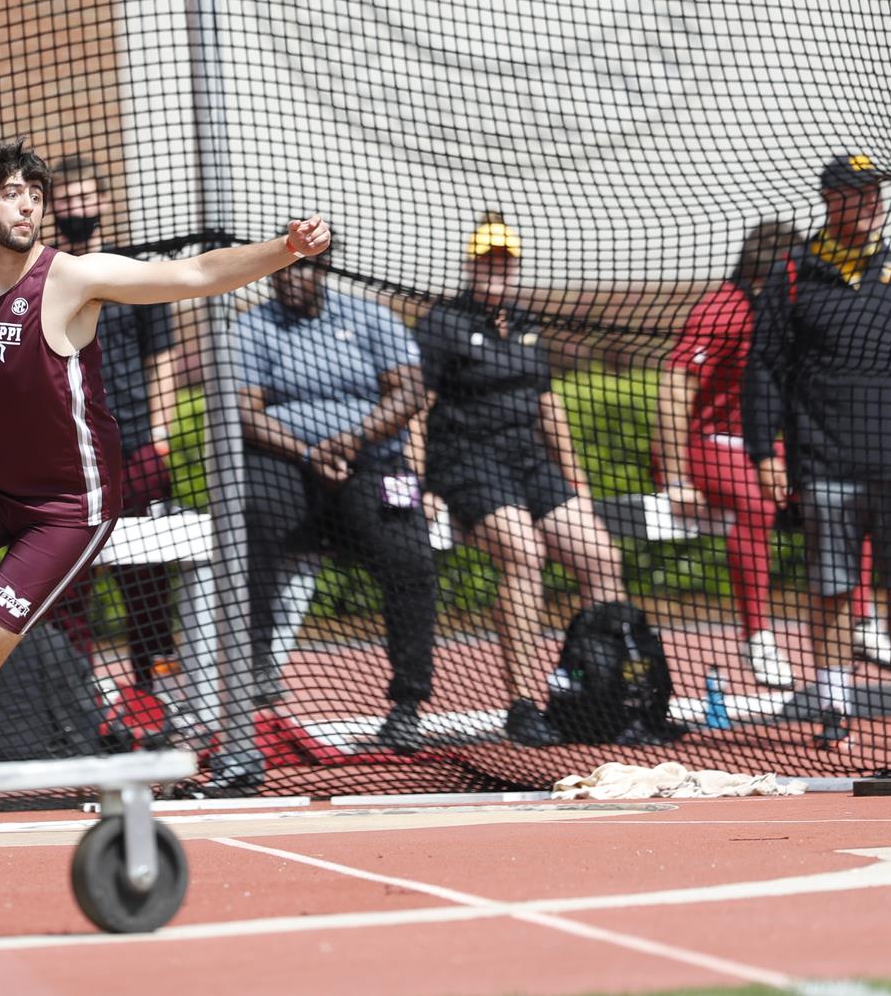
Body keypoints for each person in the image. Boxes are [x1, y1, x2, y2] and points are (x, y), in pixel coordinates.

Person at [0, 140, 331, 838]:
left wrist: (284, 248)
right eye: (12, 192)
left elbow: (191, 274)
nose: (28, 203)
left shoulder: (72, 279)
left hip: (67, 508)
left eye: (36, 193)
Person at [744, 153, 891, 747]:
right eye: (855, 195)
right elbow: (763, 368)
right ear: (829, 199)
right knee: (833, 589)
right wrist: (764, 451)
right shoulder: (794, 272)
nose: (868, 204)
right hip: (825, 464)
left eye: (874, 195)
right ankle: (834, 705)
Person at [415, 212, 625, 748]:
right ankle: (522, 702)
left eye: (505, 260)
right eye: (487, 259)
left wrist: (575, 484)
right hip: (467, 460)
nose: (496, 268)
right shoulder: (442, 323)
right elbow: (417, 407)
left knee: (602, 559)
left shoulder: (528, 323)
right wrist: (421, 481)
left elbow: (548, 406)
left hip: (530, 462)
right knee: (524, 552)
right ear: (470, 263)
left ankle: (592, 690)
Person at [238, 257, 438, 752]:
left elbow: (410, 391)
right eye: (280, 271)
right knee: (255, 517)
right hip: (286, 459)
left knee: (410, 557)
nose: (290, 279)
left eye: (301, 270)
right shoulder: (252, 325)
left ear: (322, 271)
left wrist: (352, 440)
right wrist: (308, 451)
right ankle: (257, 669)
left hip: (370, 458)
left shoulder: (369, 317)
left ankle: (408, 703)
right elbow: (246, 408)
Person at [43, 158, 182, 688]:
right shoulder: (44, 273)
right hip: (66, 449)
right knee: (67, 572)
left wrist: (161, 439)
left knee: (146, 571)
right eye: (68, 200)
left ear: (104, 203)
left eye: (87, 198)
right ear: (56, 208)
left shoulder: (133, 269)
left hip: (135, 443)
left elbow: (162, 358)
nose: (78, 209)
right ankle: (75, 684)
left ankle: (157, 678)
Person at [655, 221, 799, 689]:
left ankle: (861, 618)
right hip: (709, 444)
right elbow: (673, 390)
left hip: (765, 444)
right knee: (758, 504)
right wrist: (675, 478)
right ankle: (757, 635)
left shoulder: (787, 312)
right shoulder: (722, 309)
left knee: (839, 490)